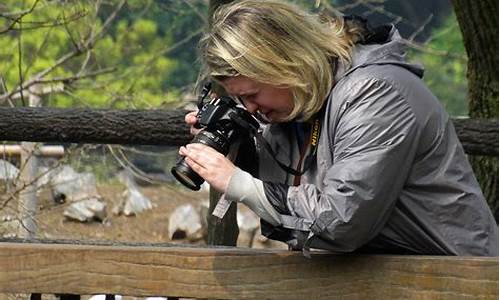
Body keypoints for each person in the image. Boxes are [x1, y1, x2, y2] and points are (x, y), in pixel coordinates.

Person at [179, 0, 498, 256]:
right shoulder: (299, 106)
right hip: (385, 282)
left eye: (251, 95)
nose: (250, 108)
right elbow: (293, 208)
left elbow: (341, 221)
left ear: (284, 64)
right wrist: (239, 150)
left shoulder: (376, 93)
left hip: (459, 282)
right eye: (238, 99)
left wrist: (240, 184)